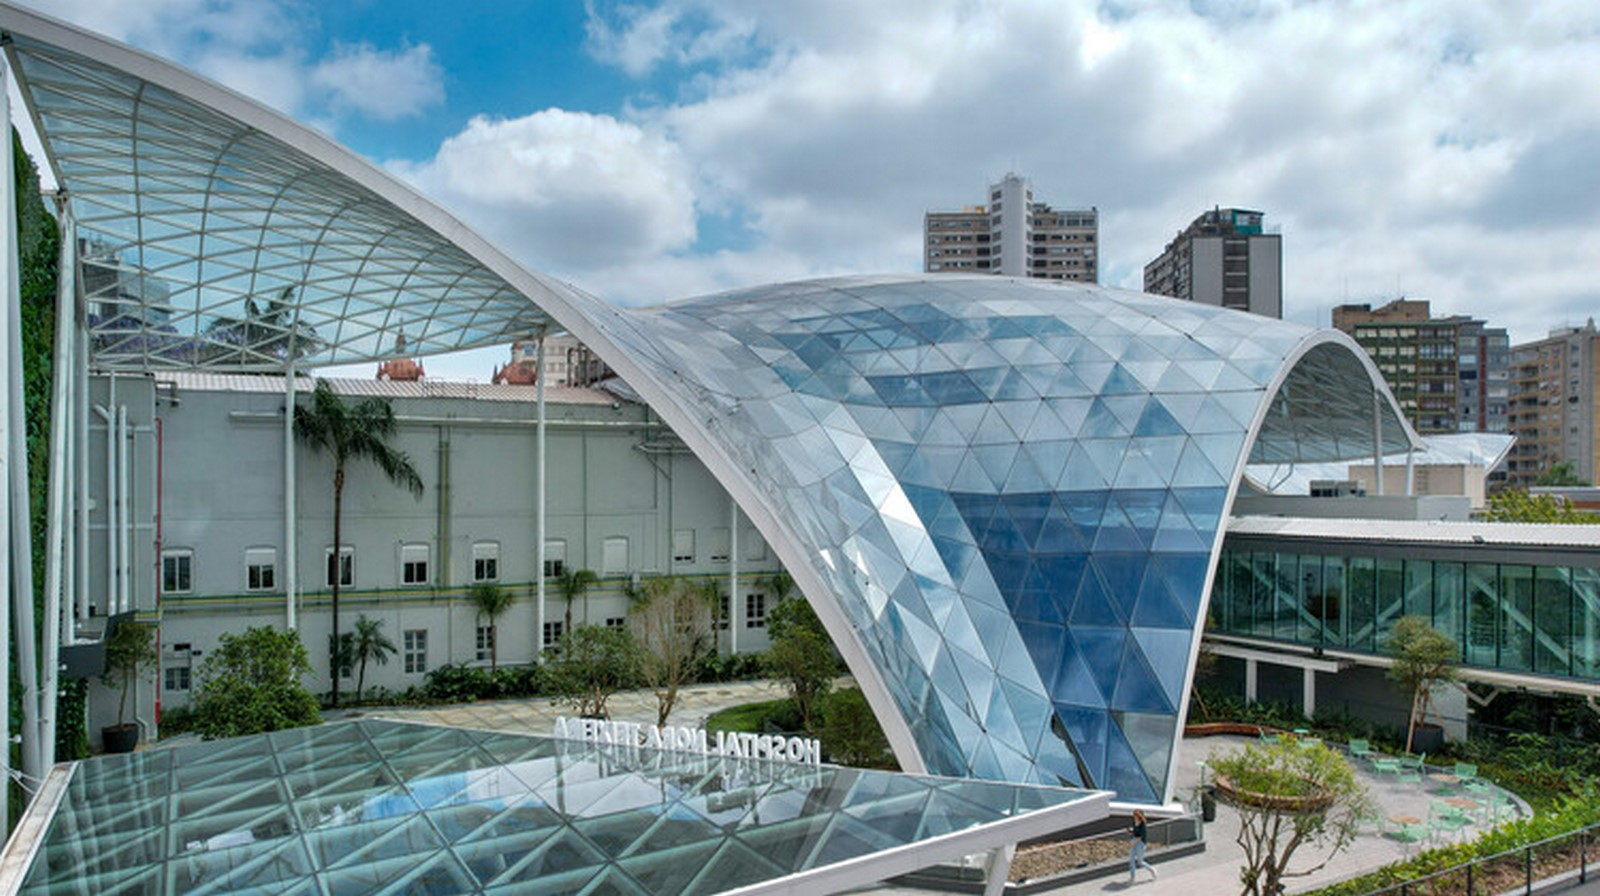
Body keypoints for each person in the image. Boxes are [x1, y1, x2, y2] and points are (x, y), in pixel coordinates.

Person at [1128, 809, 1157, 883]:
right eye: (1134, 815)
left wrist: (1133, 843)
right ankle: (1133, 877)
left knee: (1140, 862)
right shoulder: (1134, 822)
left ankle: (1152, 870)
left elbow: (1141, 836)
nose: (1134, 817)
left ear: (1139, 816)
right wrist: (1131, 831)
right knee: (1131, 860)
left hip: (1140, 843)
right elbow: (1135, 832)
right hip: (1134, 841)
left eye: (1136, 816)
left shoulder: (1142, 825)